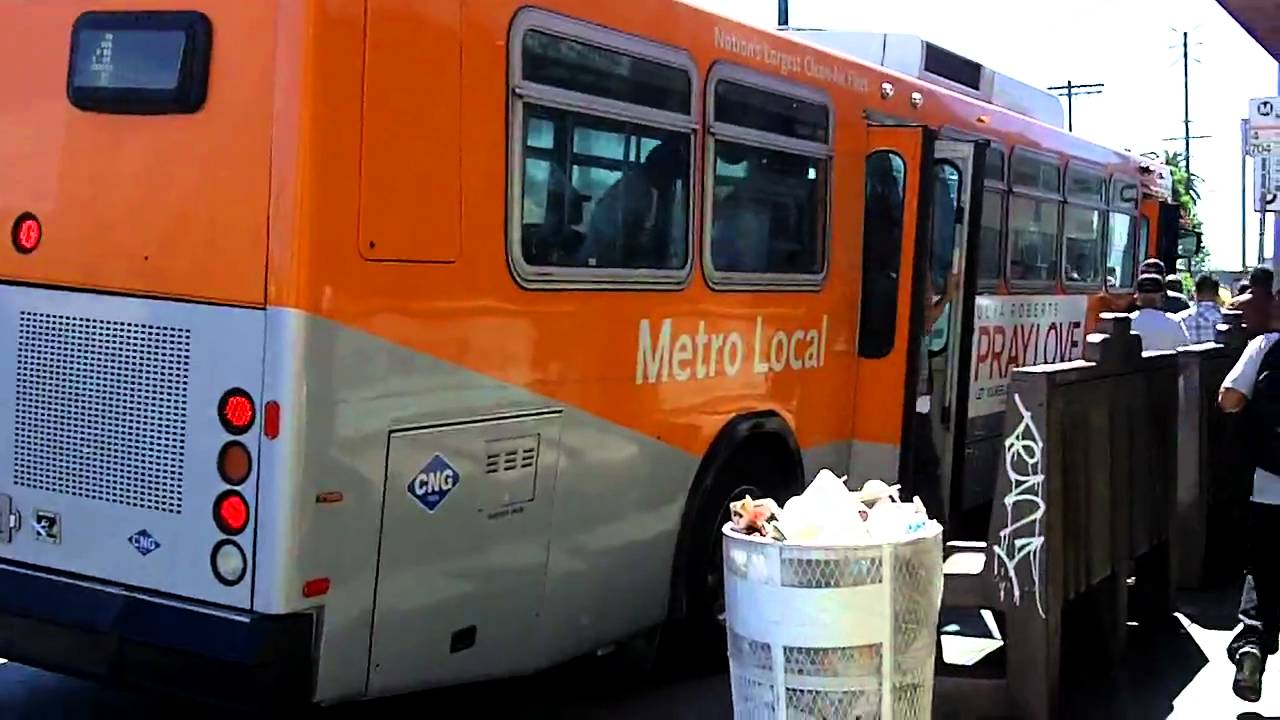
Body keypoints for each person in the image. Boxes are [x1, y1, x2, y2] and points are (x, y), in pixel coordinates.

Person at [1218, 299, 1280, 702]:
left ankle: (1253, 644)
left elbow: (1229, 399)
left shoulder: (1266, 345)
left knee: (1263, 567)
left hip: (1271, 484)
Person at [1130, 273, 1189, 351]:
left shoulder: (1127, 323)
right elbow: (1185, 351)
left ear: (1137, 296)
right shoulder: (1174, 322)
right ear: (1162, 296)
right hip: (1167, 363)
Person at [1229, 267, 1276, 339]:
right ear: (1271, 282)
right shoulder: (1276, 305)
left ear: (1250, 281)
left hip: (1243, 346)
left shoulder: (1237, 303)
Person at [1177, 273, 1224, 344]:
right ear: (1217, 294)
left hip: (1188, 354)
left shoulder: (1180, 318)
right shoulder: (1225, 318)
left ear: (1195, 293)